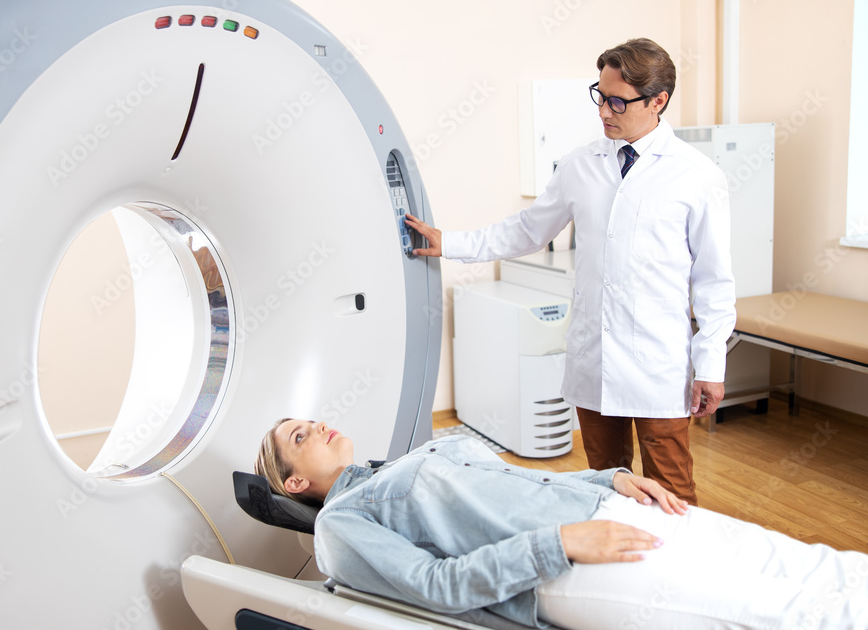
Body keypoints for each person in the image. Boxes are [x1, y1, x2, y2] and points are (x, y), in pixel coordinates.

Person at [404, 38, 737, 505]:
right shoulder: (581, 165)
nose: (604, 110)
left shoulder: (696, 176)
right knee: (604, 483)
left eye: (618, 101)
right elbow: (528, 230)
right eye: (600, 95)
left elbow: (714, 281)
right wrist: (451, 243)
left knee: (671, 491)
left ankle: (671, 575)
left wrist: (711, 365)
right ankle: (610, 569)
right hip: (593, 358)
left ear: (658, 101)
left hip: (660, 366)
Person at [256, 418, 868, 630]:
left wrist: (606, 480)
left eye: (312, 419)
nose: (319, 425)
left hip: (607, 511)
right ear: (293, 483)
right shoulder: (340, 524)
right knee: (785, 613)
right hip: (569, 565)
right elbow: (435, 584)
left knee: (809, 561)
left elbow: (523, 481)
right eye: (299, 436)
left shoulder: (408, 459)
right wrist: (560, 544)